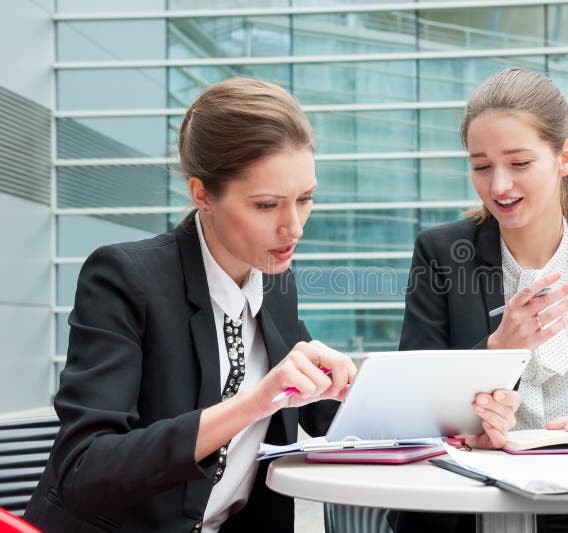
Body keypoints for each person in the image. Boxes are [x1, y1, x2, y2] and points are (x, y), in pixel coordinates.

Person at [24, 78, 358, 533]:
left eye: (305, 199)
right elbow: (84, 469)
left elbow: (332, 418)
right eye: (266, 205)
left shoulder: (274, 285)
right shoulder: (124, 278)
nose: (294, 227)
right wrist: (254, 403)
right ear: (202, 195)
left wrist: (360, 392)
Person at [389, 67, 568, 533]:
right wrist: (497, 350)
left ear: (566, 156)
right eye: (481, 166)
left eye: (519, 164)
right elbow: (412, 405)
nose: (498, 186)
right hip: (469, 507)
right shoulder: (441, 254)